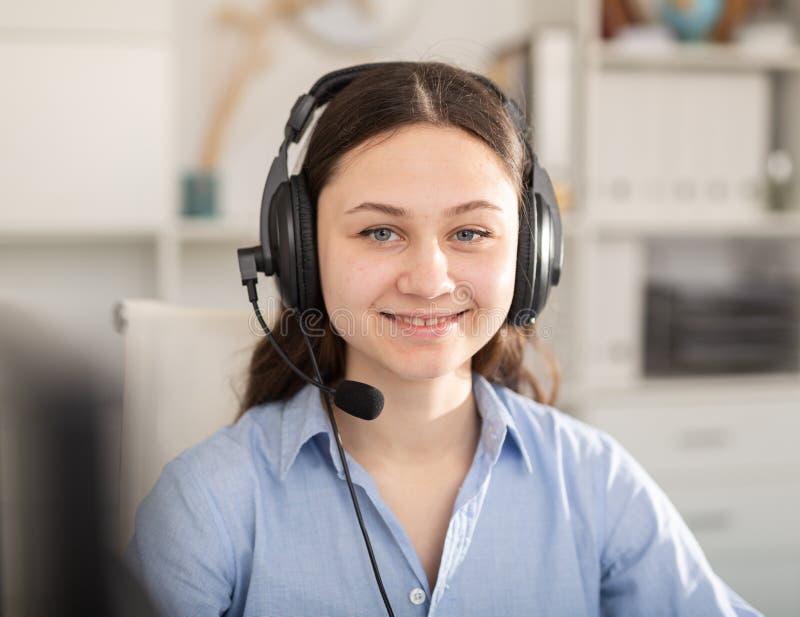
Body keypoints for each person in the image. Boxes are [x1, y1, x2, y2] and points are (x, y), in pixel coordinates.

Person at [125, 61, 762, 617]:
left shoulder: (594, 482)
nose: (430, 281)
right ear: (299, 253)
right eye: (380, 232)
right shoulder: (209, 503)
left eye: (471, 233)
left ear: (531, 257)